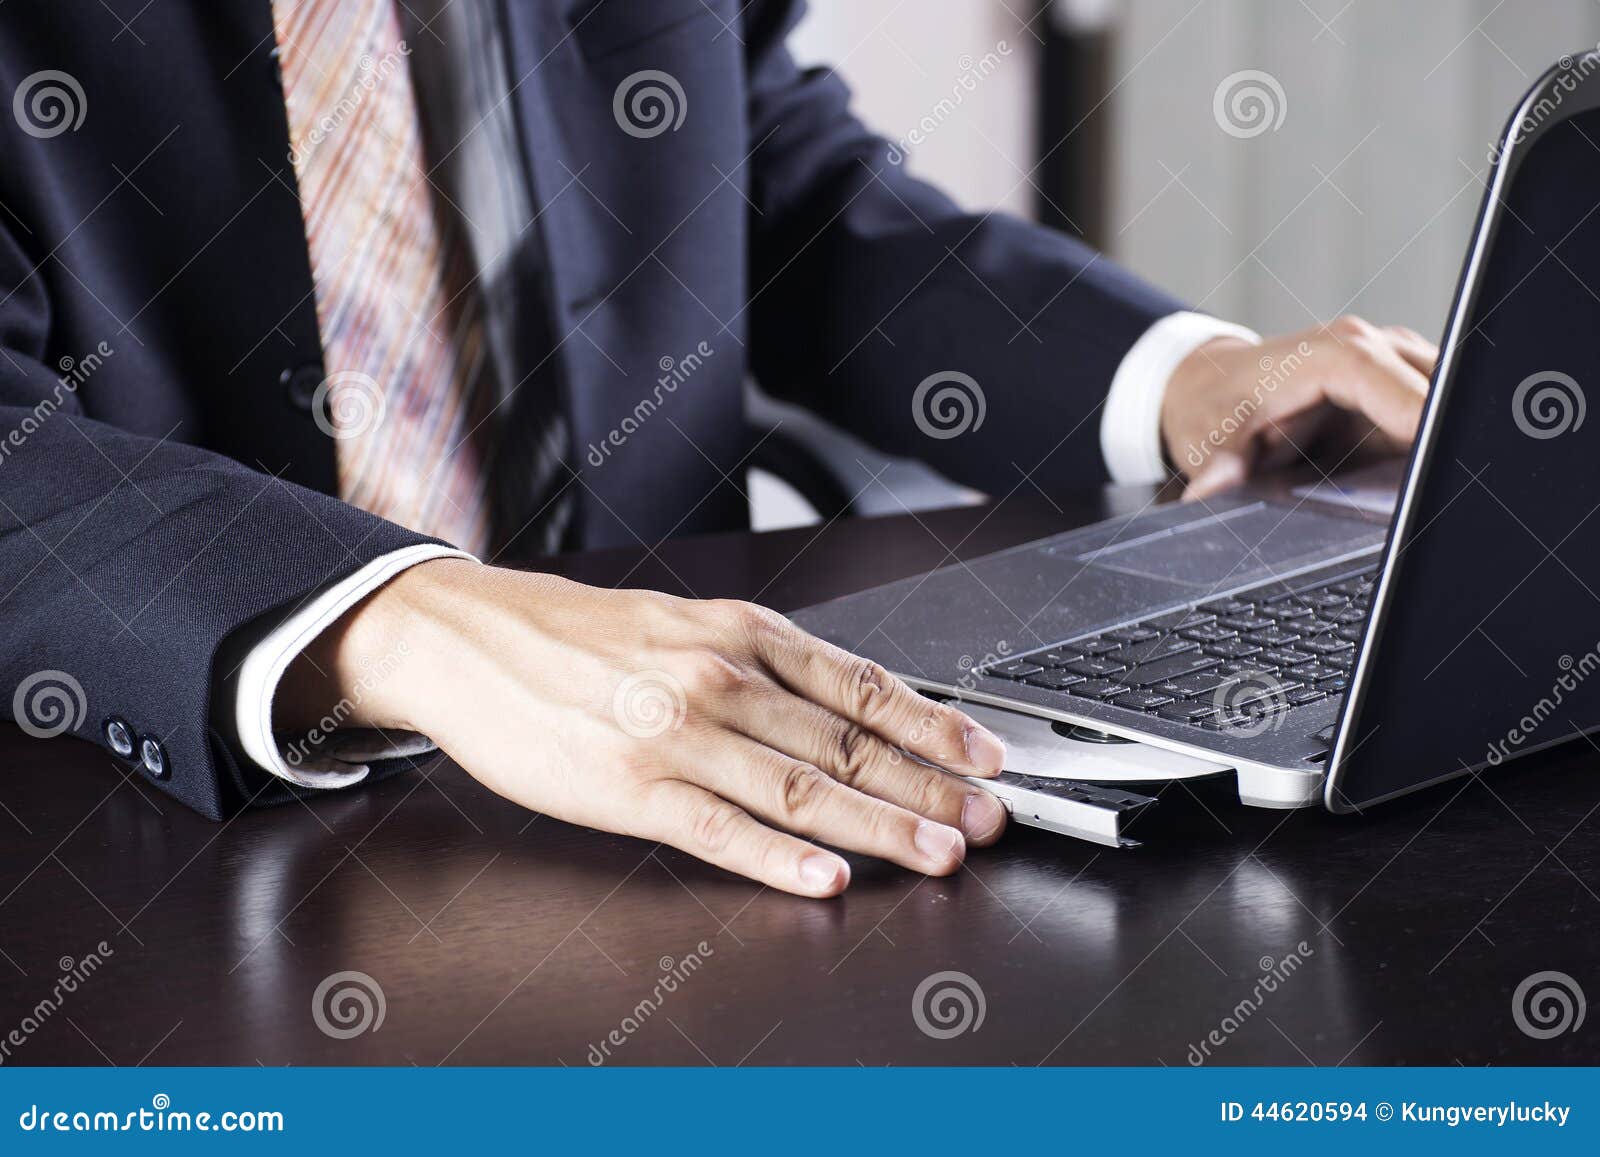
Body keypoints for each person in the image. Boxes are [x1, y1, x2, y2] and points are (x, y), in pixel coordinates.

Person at [0, 0, 1436, 897]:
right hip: (152, 864)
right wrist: (406, 619)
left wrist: (1183, 375)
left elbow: (768, 178)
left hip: (673, 848)